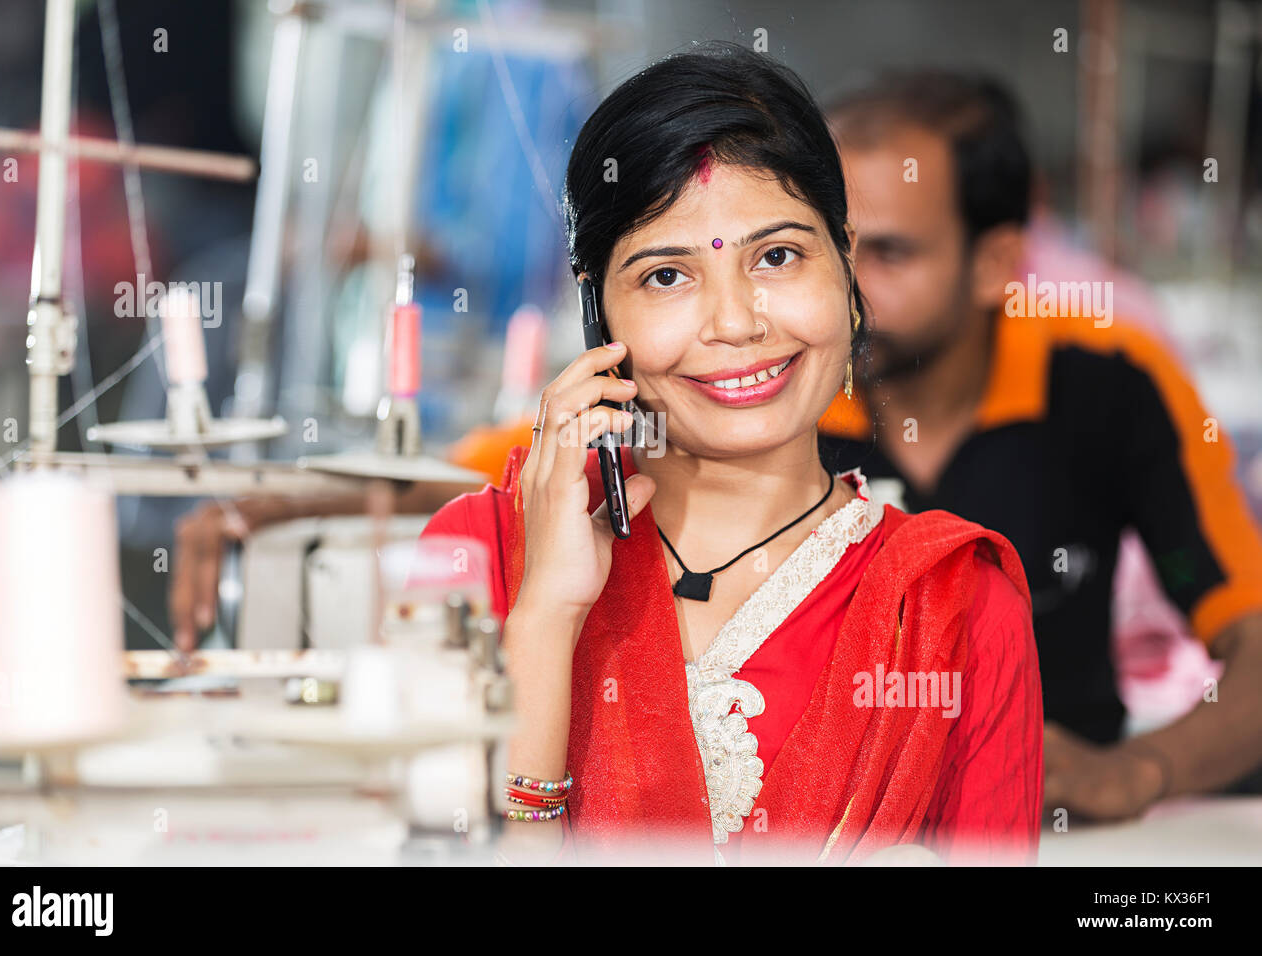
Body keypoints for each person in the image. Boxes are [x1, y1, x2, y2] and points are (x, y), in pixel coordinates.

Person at [417, 43, 1041, 866]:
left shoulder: (953, 608)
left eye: (778, 256)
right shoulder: (478, 558)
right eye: (666, 276)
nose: (737, 323)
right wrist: (543, 622)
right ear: (597, 312)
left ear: (845, 262)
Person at [817, 70, 1262, 820]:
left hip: (1065, 840)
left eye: (889, 255)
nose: (842, 291)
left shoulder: (1112, 385)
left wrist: (1141, 770)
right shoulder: (766, 393)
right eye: (822, 246)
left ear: (994, 264)